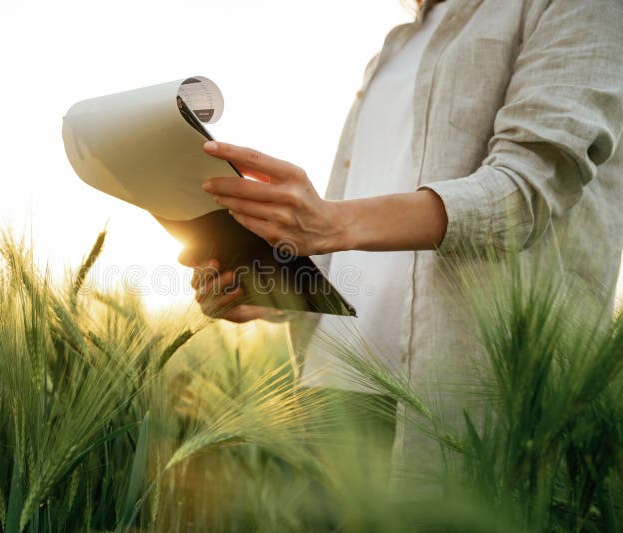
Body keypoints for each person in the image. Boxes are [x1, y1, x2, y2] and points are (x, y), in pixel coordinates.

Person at [180, 0, 623, 482]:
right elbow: (356, 228)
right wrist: (274, 289)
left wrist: (329, 222)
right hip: (332, 386)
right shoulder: (396, 46)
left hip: (466, 395)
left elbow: (522, 193)